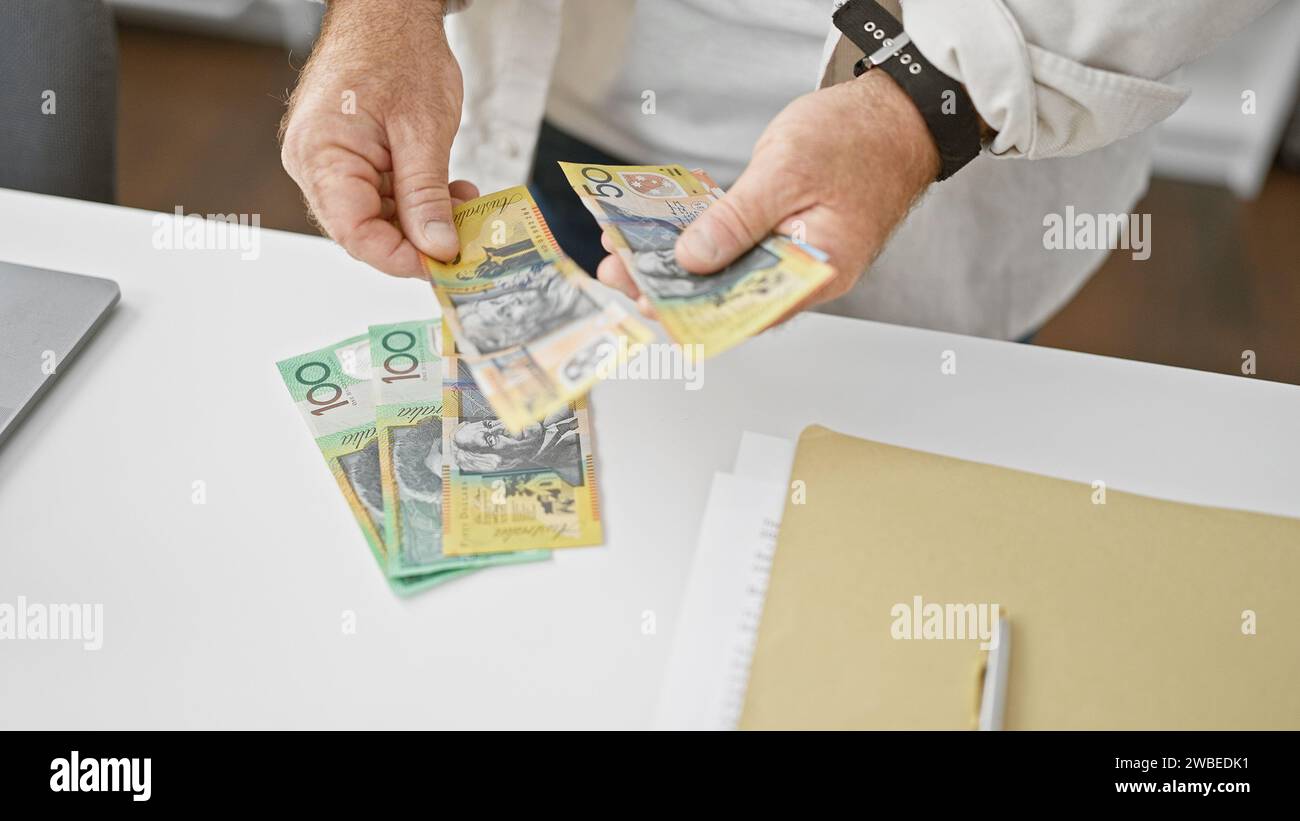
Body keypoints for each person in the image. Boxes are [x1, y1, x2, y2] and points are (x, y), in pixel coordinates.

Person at [280, 0, 1278, 341]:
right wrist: (380, 15)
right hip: (547, 106)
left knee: (879, 528)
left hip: (950, 162)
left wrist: (921, 108)